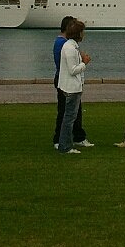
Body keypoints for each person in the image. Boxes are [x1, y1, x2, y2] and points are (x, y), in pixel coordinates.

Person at [53, 16, 92, 149]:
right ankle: (63, 143)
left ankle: (70, 140)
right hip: (69, 85)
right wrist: (84, 63)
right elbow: (71, 69)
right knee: (67, 116)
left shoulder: (68, 45)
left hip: (69, 83)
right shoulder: (66, 46)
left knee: (71, 115)